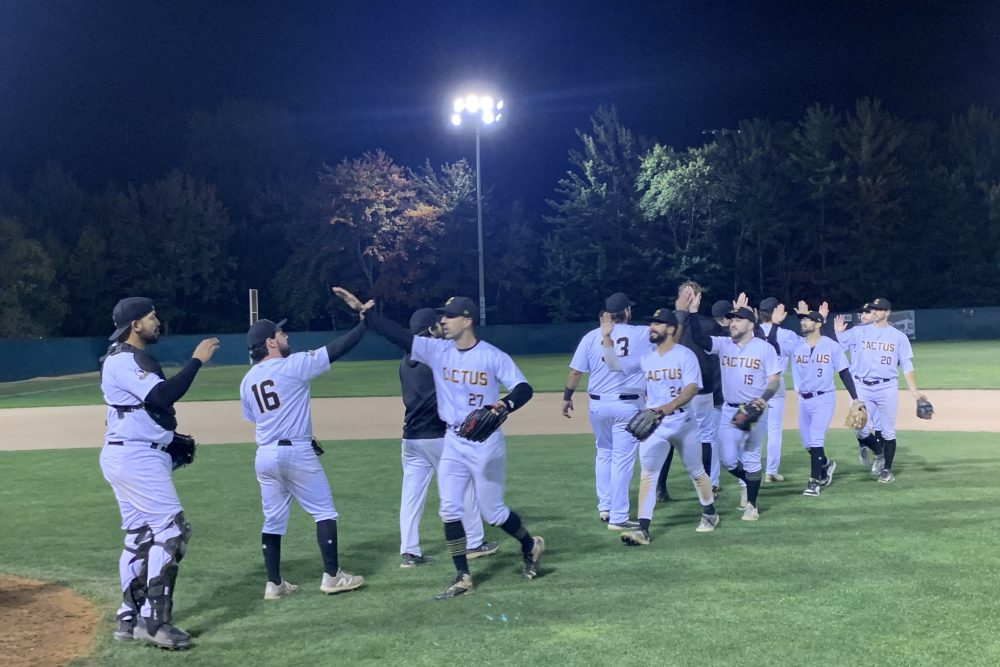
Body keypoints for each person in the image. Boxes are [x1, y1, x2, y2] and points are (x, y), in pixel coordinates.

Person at [333, 288, 544, 600]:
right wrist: (365, 314)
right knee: (449, 509)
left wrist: (503, 405)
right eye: (441, 316)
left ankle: (529, 544)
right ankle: (462, 576)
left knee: (493, 512)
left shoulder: (492, 355)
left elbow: (523, 388)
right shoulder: (436, 351)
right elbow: (398, 336)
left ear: (467, 320)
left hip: (485, 443)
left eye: (450, 316)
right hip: (453, 440)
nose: (443, 320)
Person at [99, 297, 219, 650]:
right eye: (152, 317)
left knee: (139, 536)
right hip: (136, 457)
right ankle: (154, 622)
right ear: (135, 324)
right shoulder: (123, 360)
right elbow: (162, 395)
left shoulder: (124, 358)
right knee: (172, 532)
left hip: (131, 453)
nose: (157, 321)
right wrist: (197, 360)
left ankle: (128, 619)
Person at [239, 316, 368, 600]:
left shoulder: (247, 380)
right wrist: (363, 325)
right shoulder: (293, 365)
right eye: (280, 333)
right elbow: (335, 350)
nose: (286, 336)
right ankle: (332, 577)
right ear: (270, 343)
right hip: (296, 451)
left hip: (265, 455)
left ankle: (274, 584)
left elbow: (255, 417)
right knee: (324, 512)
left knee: (272, 520)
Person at [601, 307, 720, 545]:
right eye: (651, 323)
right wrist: (606, 339)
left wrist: (667, 407)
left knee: (696, 472)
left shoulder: (685, 355)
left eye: (657, 323)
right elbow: (615, 366)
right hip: (655, 424)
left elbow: (691, 388)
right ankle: (643, 530)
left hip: (683, 422)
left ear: (671, 329)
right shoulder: (646, 358)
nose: (651, 327)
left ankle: (710, 513)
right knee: (648, 475)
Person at [398, 308, 499, 568]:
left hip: (411, 437)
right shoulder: (438, 358)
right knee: (464, 485)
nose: (443, 326)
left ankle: (409, 552)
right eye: (438, 324)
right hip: (438, 436)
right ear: (430, 330)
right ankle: (474, 542)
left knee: (411, 495)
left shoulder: (406, 359)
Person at [684, 291, 784, 520]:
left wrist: (763, 399)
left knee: (751, 455)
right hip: (730, 409)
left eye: (738, 319)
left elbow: (774, 379)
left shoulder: (764, 348)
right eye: (731, 319)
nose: (732, 323)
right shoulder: (724, 344)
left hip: (755, 409)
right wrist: (693, 312)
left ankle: (752, 505)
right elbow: (700, 339)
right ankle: (749, 482)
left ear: (751, 324)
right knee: (727, 459)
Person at [563, 293, 652, 530]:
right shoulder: (641, 333)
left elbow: (575, 372)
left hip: (598, 405)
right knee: (622, 460)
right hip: (627, 405)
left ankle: (605, 506)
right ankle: (618, 517)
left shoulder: (591, 336)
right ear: (627, 312)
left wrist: (567, 397)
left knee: (603, 452)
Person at [772, 303, 864, 495]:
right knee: (807, 443)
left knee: (816, 438)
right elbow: (771, 342)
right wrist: (775, 324)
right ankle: (826, 464)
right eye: (802, 320)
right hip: (803, 400)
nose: (803, 322)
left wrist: (855, 398)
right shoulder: (796, 345)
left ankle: (814, 482)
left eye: (807, 320)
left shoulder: (831, 346)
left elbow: (844, 372)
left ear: (819, 324)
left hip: (824, 399)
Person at [833, 297, 927, 483]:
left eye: (878, 309)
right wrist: (838, 333)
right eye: (873, 309)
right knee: (858, 427)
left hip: (887, 387)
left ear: (887, 312)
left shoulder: (898, 337)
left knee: (888, 431)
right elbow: (839, 347)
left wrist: (914, 391)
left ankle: (887, 470)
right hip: (862, 387)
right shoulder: (859, 331)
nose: (874, 312)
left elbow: (907, 365)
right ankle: (878, 453)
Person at [656, 285, 726, 502]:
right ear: (698, 298)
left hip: (672, 390)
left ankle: (660, 488)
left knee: (667, 437)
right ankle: (707, 486)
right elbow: (717, 360)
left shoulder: (664, 325)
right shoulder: (708, 325)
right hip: (701, 389)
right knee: (706, 436)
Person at [756, 297, 801, 483]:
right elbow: (801, 350)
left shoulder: (751, 331)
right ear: (776, 312)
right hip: (776, 384)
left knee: (755, 428)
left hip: (754, 385)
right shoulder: (787, 334)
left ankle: (751, 470)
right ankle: (771, 472)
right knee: (774, 430)